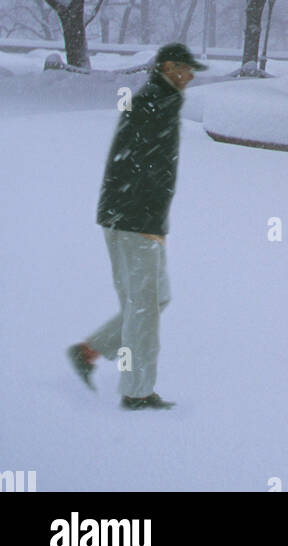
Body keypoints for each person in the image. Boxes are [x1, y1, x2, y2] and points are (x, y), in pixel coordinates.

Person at [66, 42, 206, 410]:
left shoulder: (156, 100)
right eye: (186, 68)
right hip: (134, 219)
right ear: (167, 67)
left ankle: (89, 351)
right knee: (143, 307)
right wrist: (149, 221)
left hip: (130, 215)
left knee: (153, 299)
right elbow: (147, 169)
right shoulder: (157, 103)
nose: (191, 76)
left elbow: (142, 165)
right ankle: (137, 392)